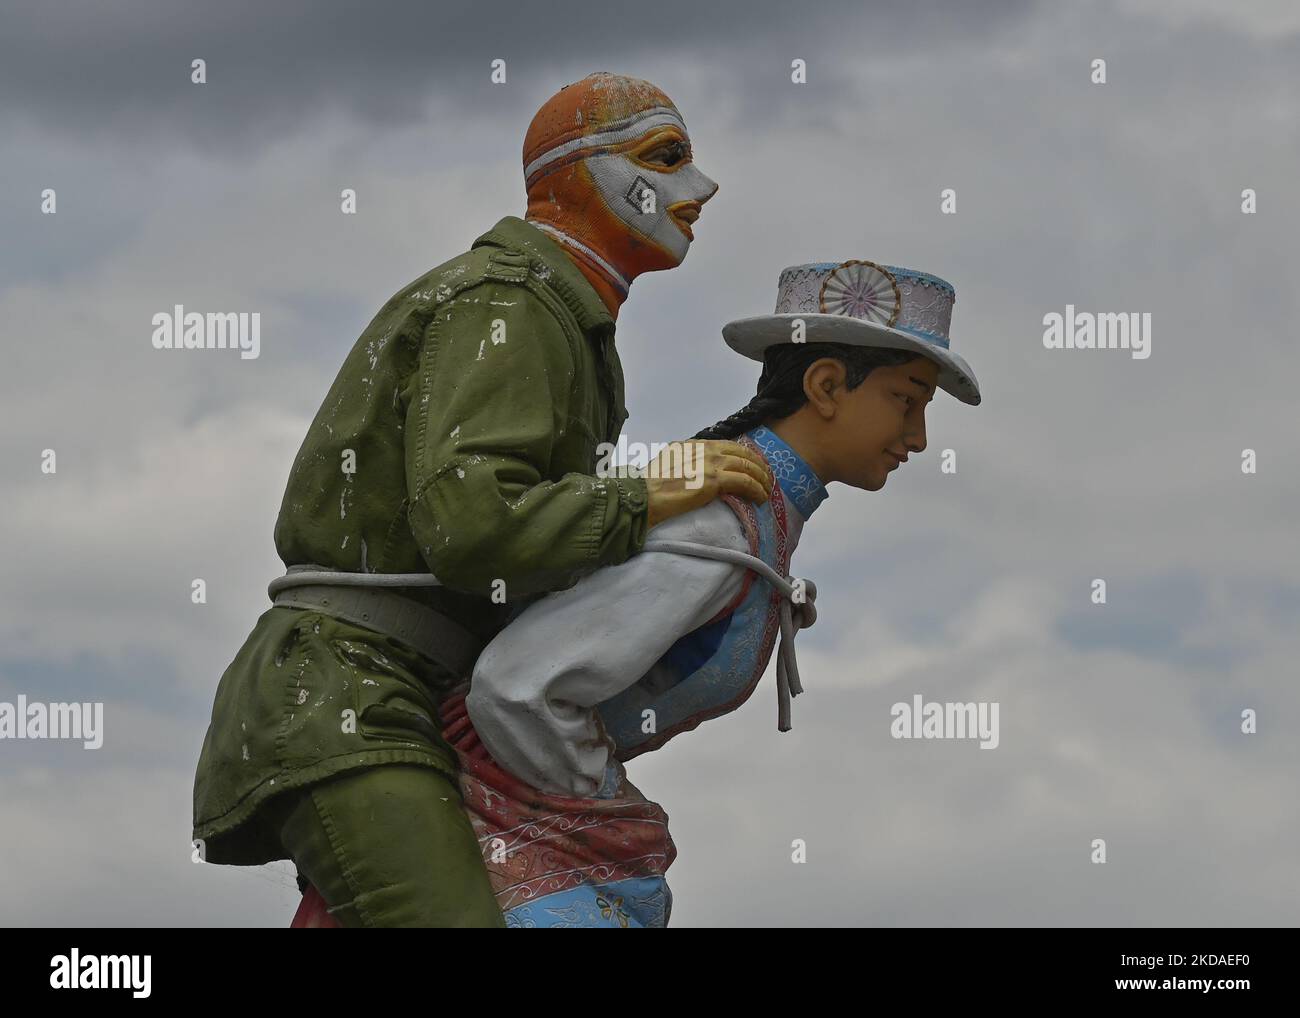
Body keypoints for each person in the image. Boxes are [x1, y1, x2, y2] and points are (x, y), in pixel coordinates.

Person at [191, 72, 774, 929]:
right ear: (573, 177)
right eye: (665, 158)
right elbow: (477, 528)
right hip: (349, 694)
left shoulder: (559, 316)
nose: (701, 187)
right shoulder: (510, 301)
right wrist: (649, 493)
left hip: (400, 698)